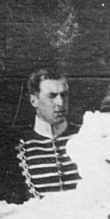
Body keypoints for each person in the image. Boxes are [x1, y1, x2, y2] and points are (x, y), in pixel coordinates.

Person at [14, 68, 81, 199]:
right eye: (52, 96)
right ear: (34, 101)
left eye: (64, 95)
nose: (60, 103)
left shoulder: (85, 136)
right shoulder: (21, 147)